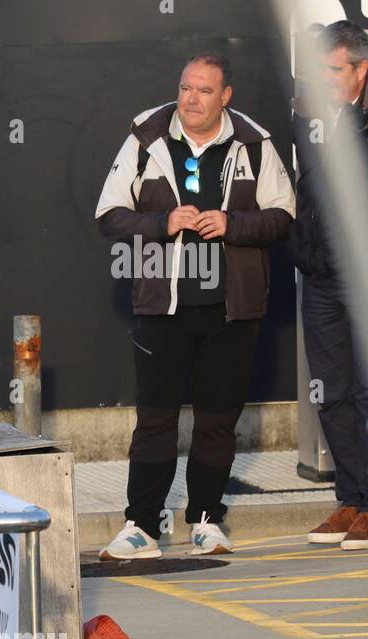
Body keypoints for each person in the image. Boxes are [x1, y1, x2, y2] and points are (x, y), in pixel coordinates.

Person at [94, 53, 294, 560]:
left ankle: (206, 518)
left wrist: (234, 224)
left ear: (226, 96)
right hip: (162, 307)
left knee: (217, 420)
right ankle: (141, 526)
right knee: (156, 420)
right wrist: (162, 222)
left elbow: (283, 217)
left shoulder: (254, 142)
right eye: (185, 88)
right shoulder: (145, 138)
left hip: (232, 310)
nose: (191, 99)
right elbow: (109, 215)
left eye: (204, 91)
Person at [293, 22, 368, 550]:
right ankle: (353, 498)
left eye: (334, 71)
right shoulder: (311, 118)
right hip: (320, 278)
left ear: (362, 69)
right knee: (333, 395)